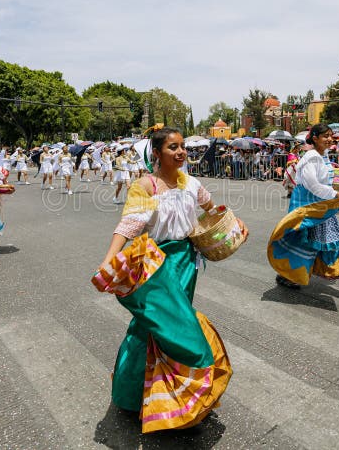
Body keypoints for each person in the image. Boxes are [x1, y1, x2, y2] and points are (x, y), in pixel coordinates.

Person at [92, 125, 245, 433]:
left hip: (187, 261)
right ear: (158, 154)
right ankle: (137, 396)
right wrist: (108, 260)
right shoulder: (146, 186)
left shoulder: (192, 184)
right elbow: (129, 226)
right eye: (173, 147)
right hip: (156, 264)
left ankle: (173, 400)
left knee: (170, 325)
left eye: (182, 146)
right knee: (157, 326)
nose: (181, 152)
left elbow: (212, 211)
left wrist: (236, 225)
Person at [268, 123, 339, 295]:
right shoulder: (311, 157)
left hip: (321, 208)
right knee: (308, 243)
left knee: (330, 243)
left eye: (330, 136)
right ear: (315, 138)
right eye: (325, 136)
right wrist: (335, 194)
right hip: (310, 208)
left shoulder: (322, 155)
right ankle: (288, 275)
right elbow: (312, 184)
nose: (329, 139)